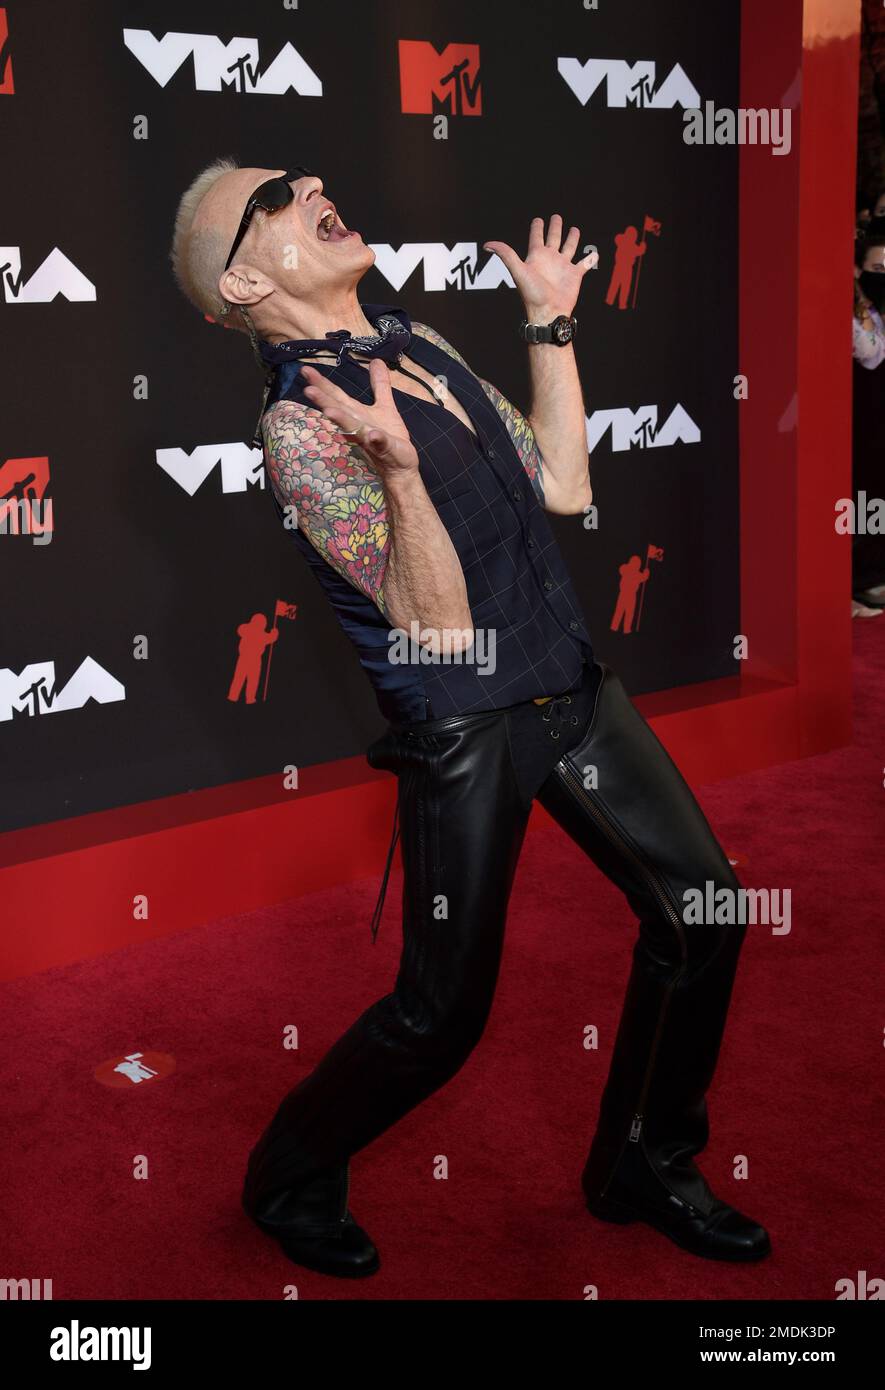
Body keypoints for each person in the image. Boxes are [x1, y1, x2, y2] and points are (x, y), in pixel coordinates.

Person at [170, 161, 771, 1278]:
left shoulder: (419, 338)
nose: (310, 186)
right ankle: (288, 1175)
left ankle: (646, 1161)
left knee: (708, 910)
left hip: (568, 683)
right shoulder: (299, 432)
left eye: (301, 174)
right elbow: (436, 637)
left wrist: (551, 327)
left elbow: (565, 487)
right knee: (439, 1018)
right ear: (243, 280)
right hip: (465, 729)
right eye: (273, 198)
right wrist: (397, 465)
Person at [851, 226, 885, 616]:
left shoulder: (868, 307)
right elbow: (869, 353)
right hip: (848, 421)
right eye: (875, 266)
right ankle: (853, 583)